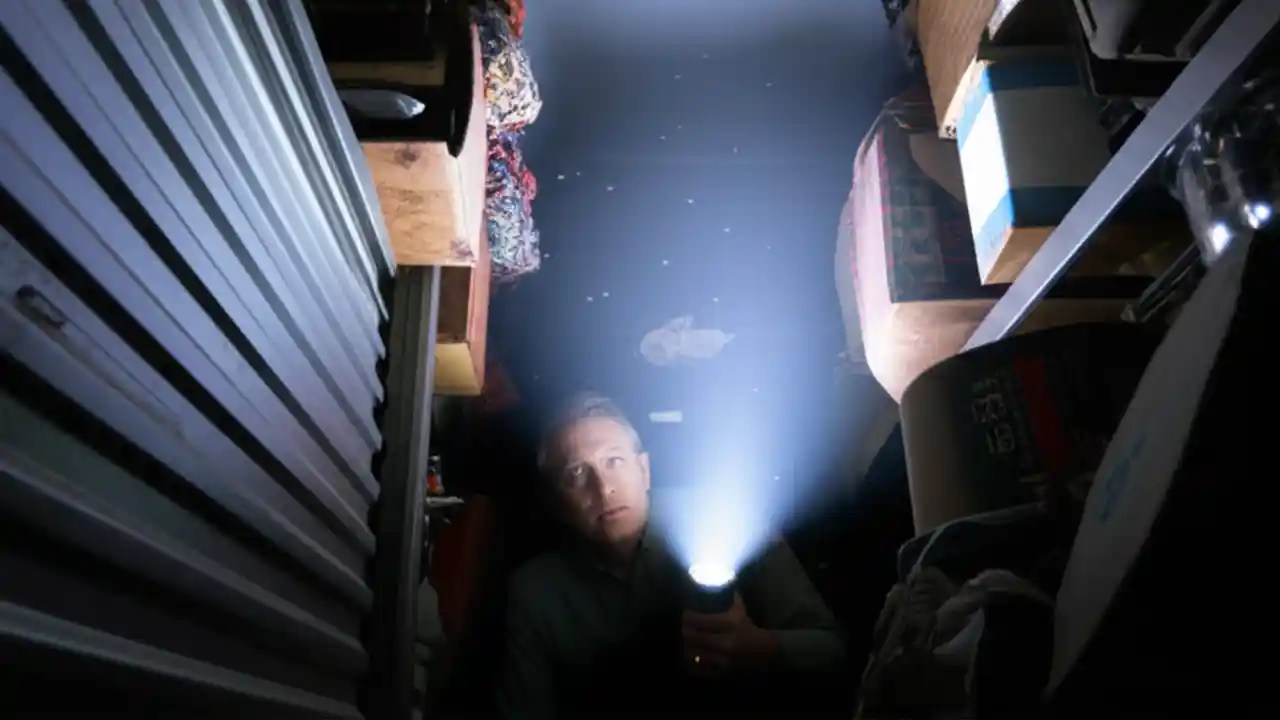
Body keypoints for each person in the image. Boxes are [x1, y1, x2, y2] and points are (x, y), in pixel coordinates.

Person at [498, 393, 847, 719]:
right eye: (576, 473)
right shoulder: (534, 593)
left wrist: (758, 648)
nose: (603, 488)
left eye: (613, 461)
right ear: (557, 503)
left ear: (644, 470)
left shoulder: (726, 517)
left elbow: (832, 651)